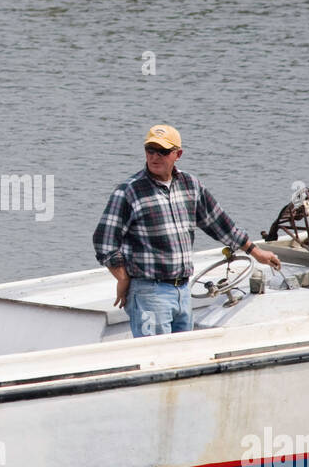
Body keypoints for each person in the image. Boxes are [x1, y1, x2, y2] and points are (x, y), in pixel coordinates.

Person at [93, 123, 282, 337]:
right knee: (155, 357)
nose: (155, 157)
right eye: (150, 150)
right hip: (148, 293)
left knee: (181, 355)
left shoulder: (190, 185)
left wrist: (257, 253)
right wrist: (123, 278)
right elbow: (104, 242)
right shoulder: (128, 191)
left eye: (163, 151)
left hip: (183, 291)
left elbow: (219, 223)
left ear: (177, 154)